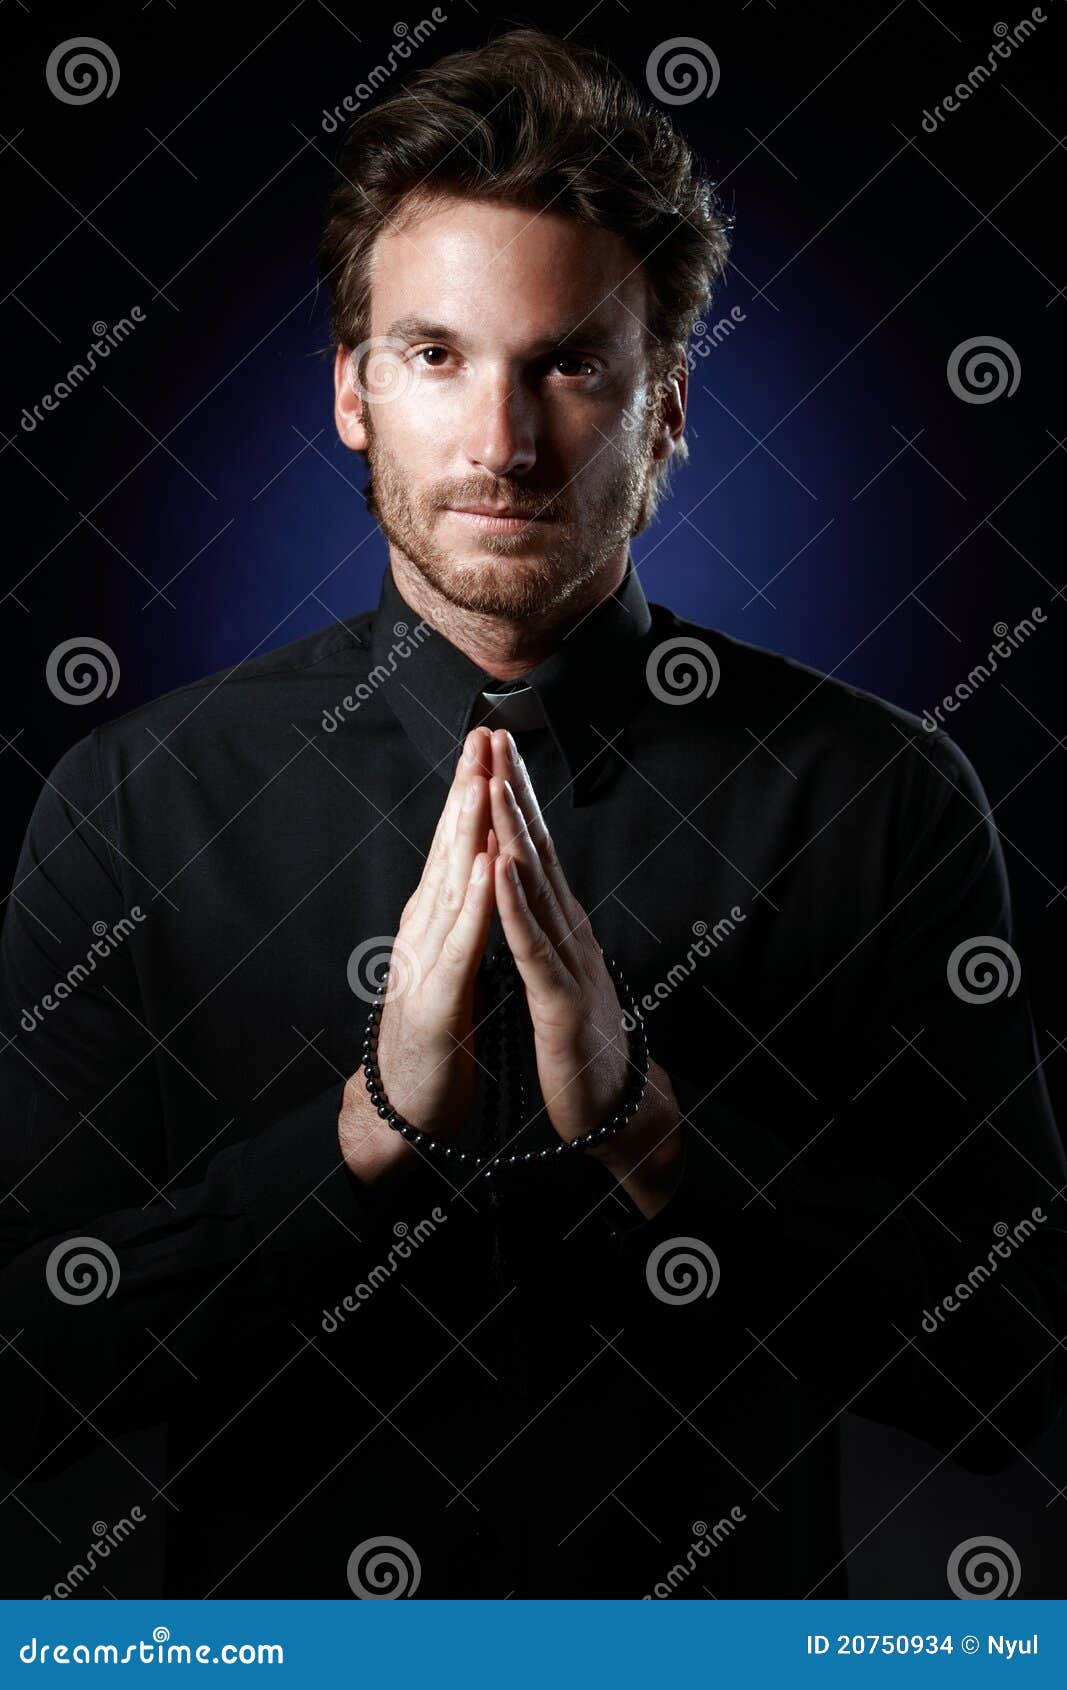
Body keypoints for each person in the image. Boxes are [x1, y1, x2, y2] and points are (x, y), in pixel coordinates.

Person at [2, 28, 1064, 1601]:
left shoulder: (875, 796)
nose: (502, 445)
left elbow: (1009, 1369)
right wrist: (361, 1134)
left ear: (669, 404)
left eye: (568, 363)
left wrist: (656, 1128)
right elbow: (28, 1367)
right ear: (355, 393)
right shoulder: (140, 803)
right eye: (437, 357)